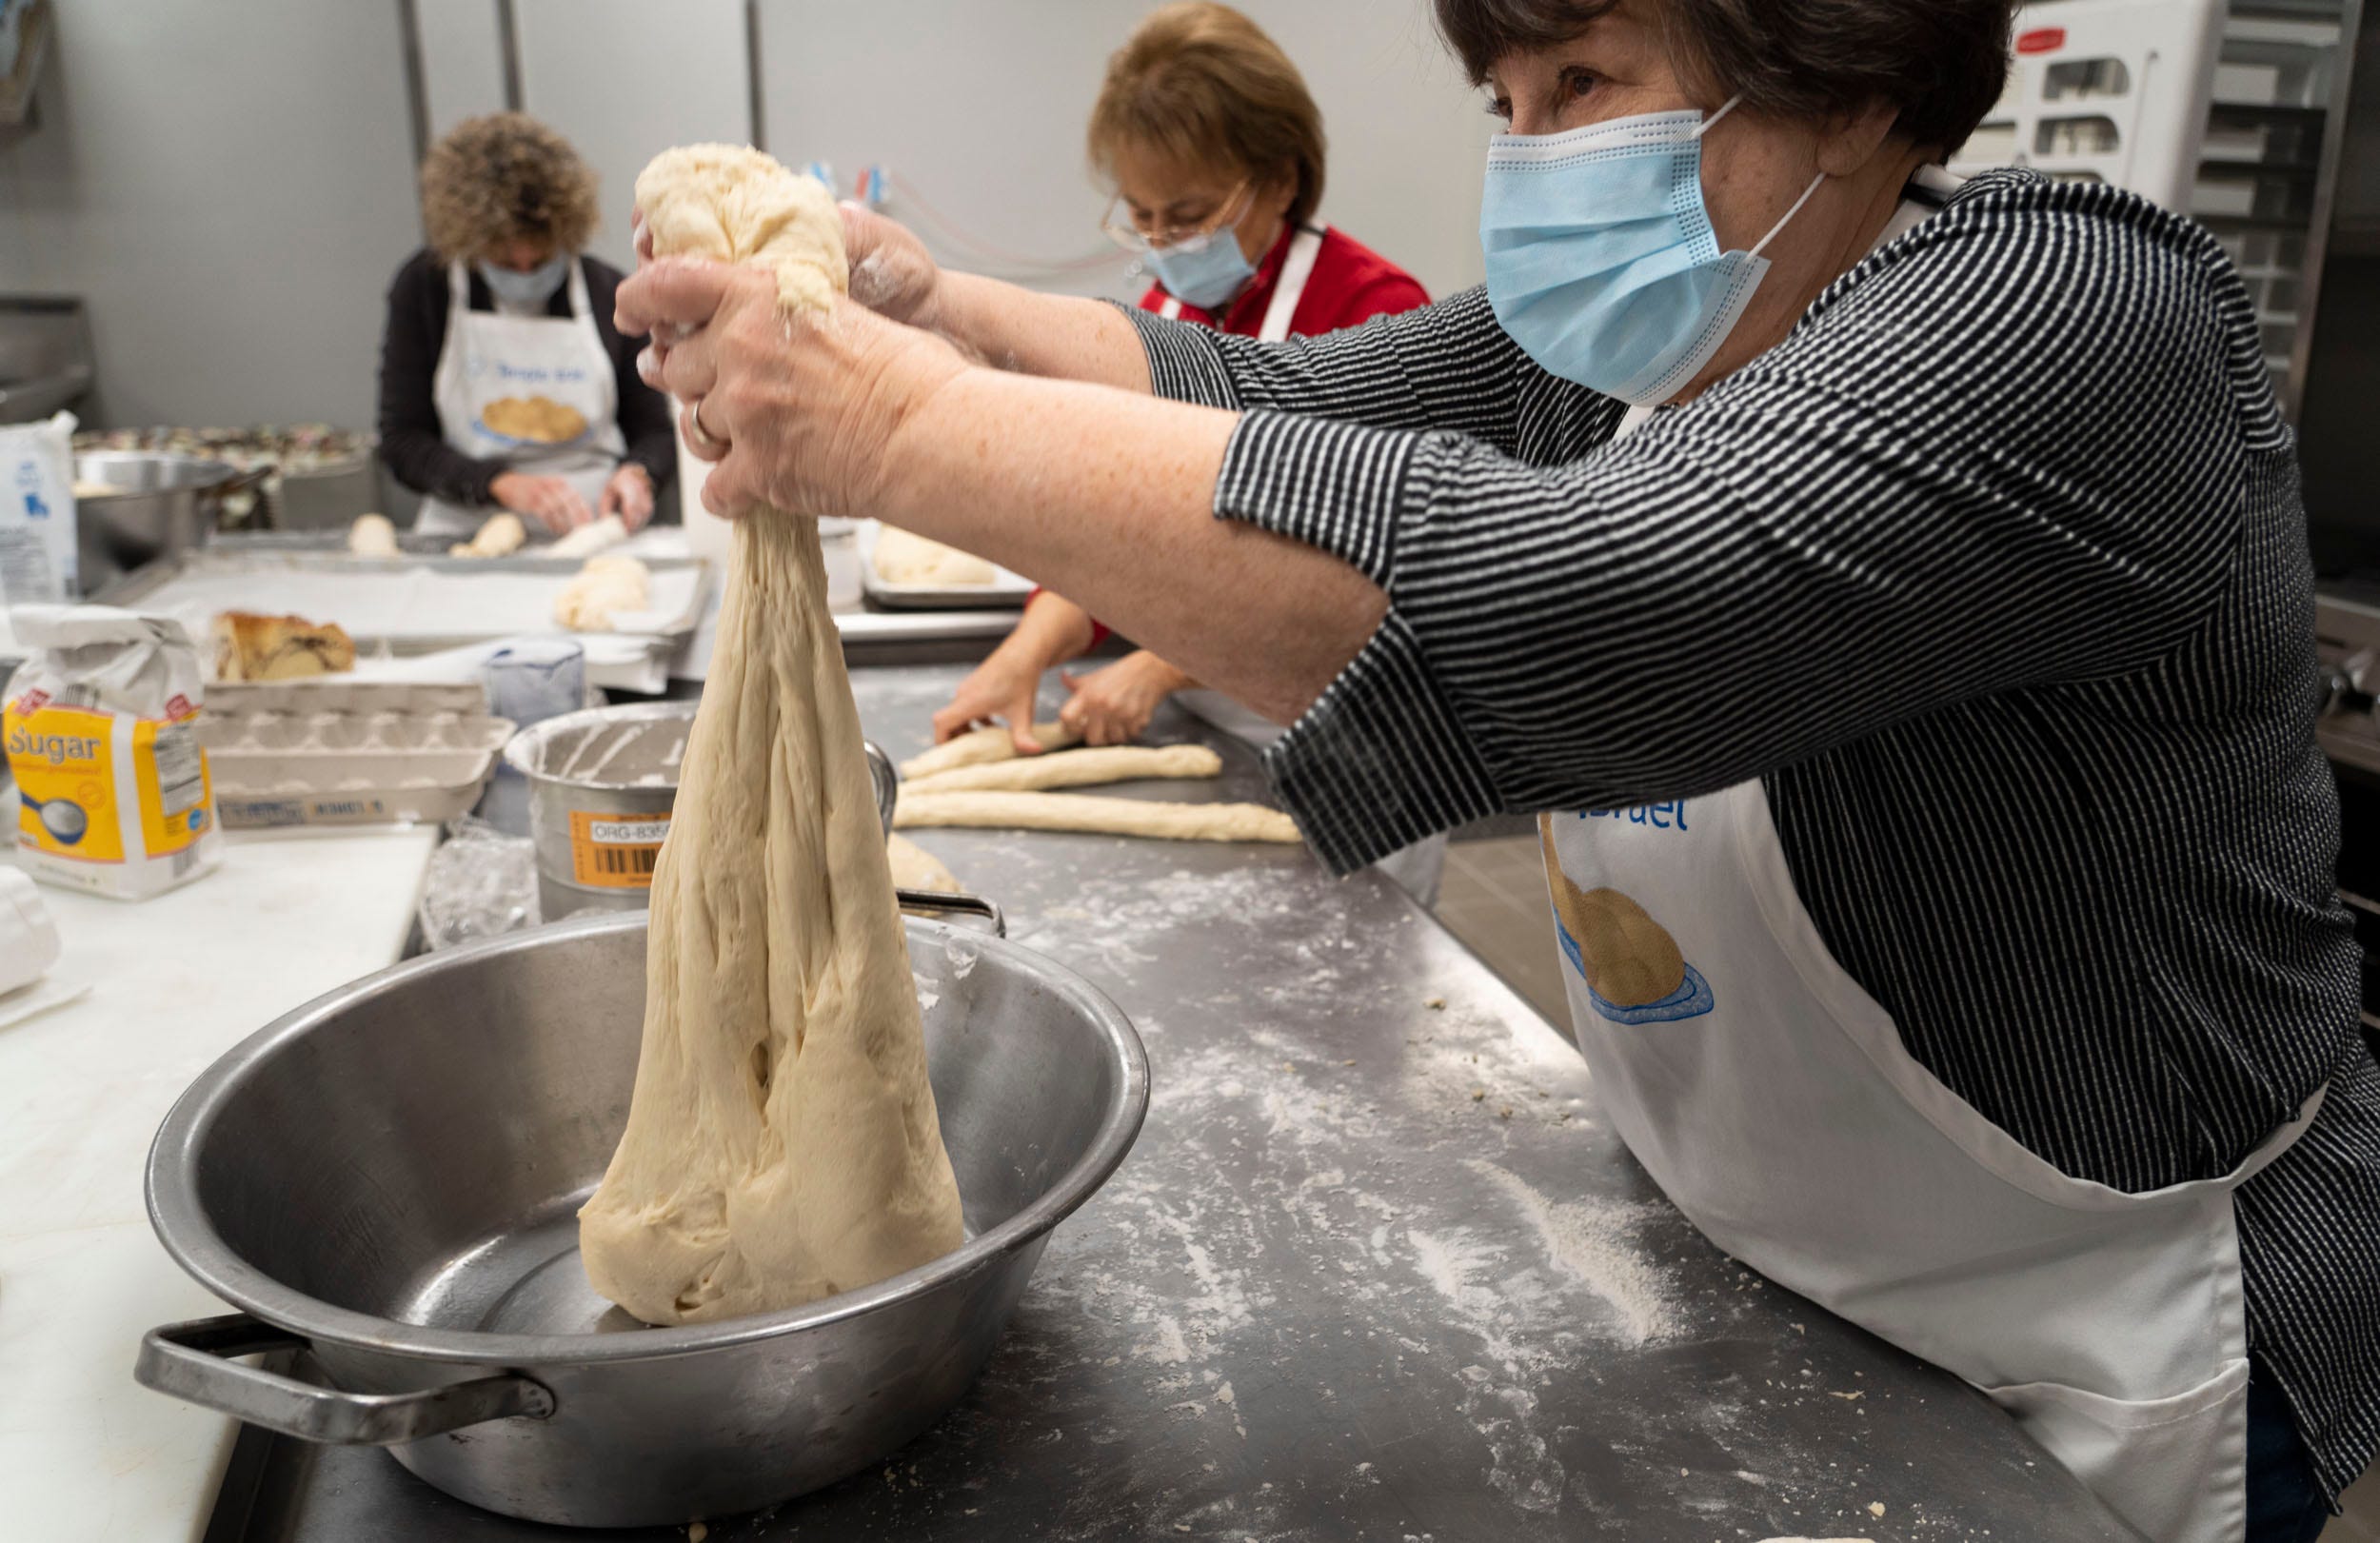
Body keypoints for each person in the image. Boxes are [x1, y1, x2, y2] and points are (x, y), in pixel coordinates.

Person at [621, 0, 2380, 1534]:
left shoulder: (2067, 309)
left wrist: (898, 424)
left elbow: (1607, 608)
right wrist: (939, 316)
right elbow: (1254, 398)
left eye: (1589, 79)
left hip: (2091, 1327)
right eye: (1506, 104)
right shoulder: (1658, 342)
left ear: (1843, 83)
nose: (1532, 159)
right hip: (1770, 1262)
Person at [936, 2, 1429, 760]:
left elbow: (1376, 577)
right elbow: (1113, 522)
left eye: (1192, 217)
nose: (1165, 245)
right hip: (1212, 727)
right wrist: (1028, 649)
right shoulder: (1165, 311)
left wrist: (1161, 667)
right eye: (1143, 218)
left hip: (1345, 731)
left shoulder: (1376, 312)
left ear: (1282, 180)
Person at [378, 112, 673, 544]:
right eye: (503, 261)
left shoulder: (607, 291)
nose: (524, 272)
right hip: (467, 528)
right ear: (467, 242)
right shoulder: (426, 288)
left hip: (592, 526)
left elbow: (654, 431)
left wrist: (639, 473)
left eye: (540, 260)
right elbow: (402, 441)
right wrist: (502, 484)